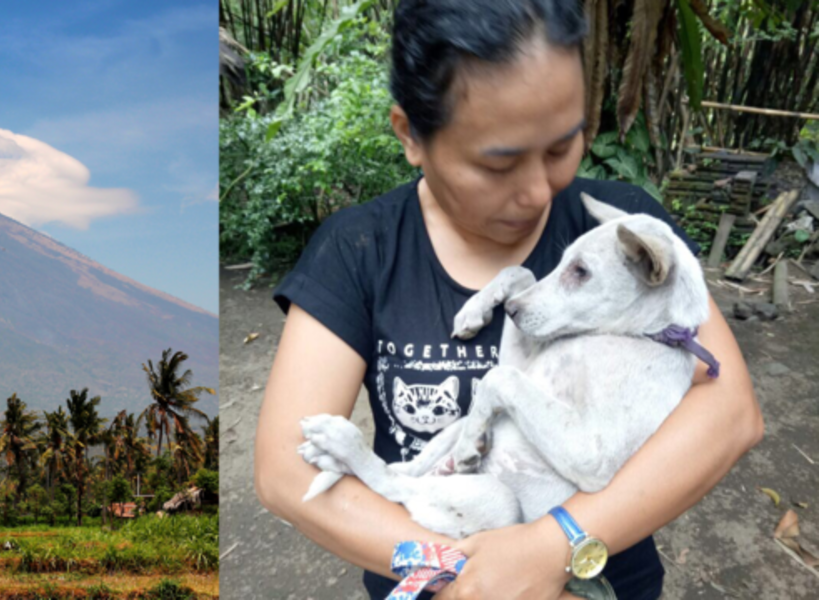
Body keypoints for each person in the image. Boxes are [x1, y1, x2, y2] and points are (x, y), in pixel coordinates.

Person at [252, 1, 763, 599]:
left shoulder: (624, 234)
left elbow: (730, 411)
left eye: (561, 146)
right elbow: (286, 472)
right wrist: (467, 573)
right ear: (411, 135)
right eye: (498, 164)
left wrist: (552, 549)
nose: (538, 191)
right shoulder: (358, 250)